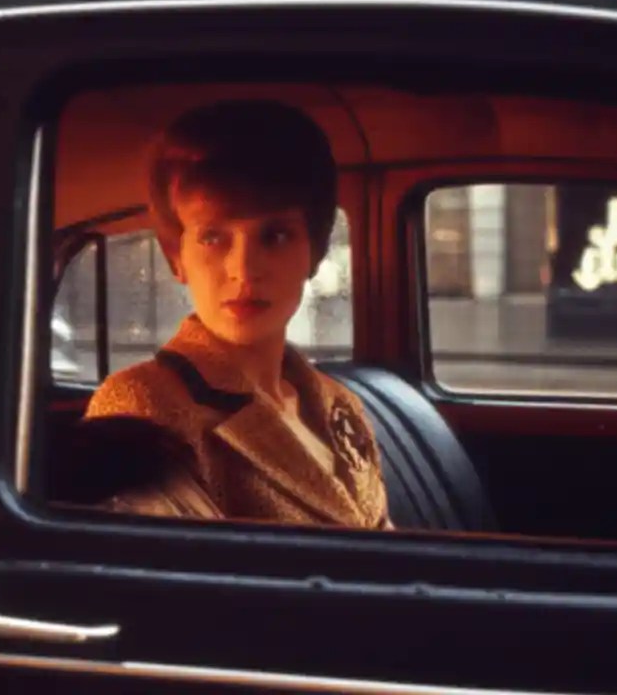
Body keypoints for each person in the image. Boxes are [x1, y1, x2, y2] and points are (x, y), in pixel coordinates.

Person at [83, 99, 392, 529]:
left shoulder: (341, 403)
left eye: (275, 235)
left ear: (315, 251)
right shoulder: (140, 404)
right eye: (213, 237)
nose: (243, 270)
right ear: (177, 258)